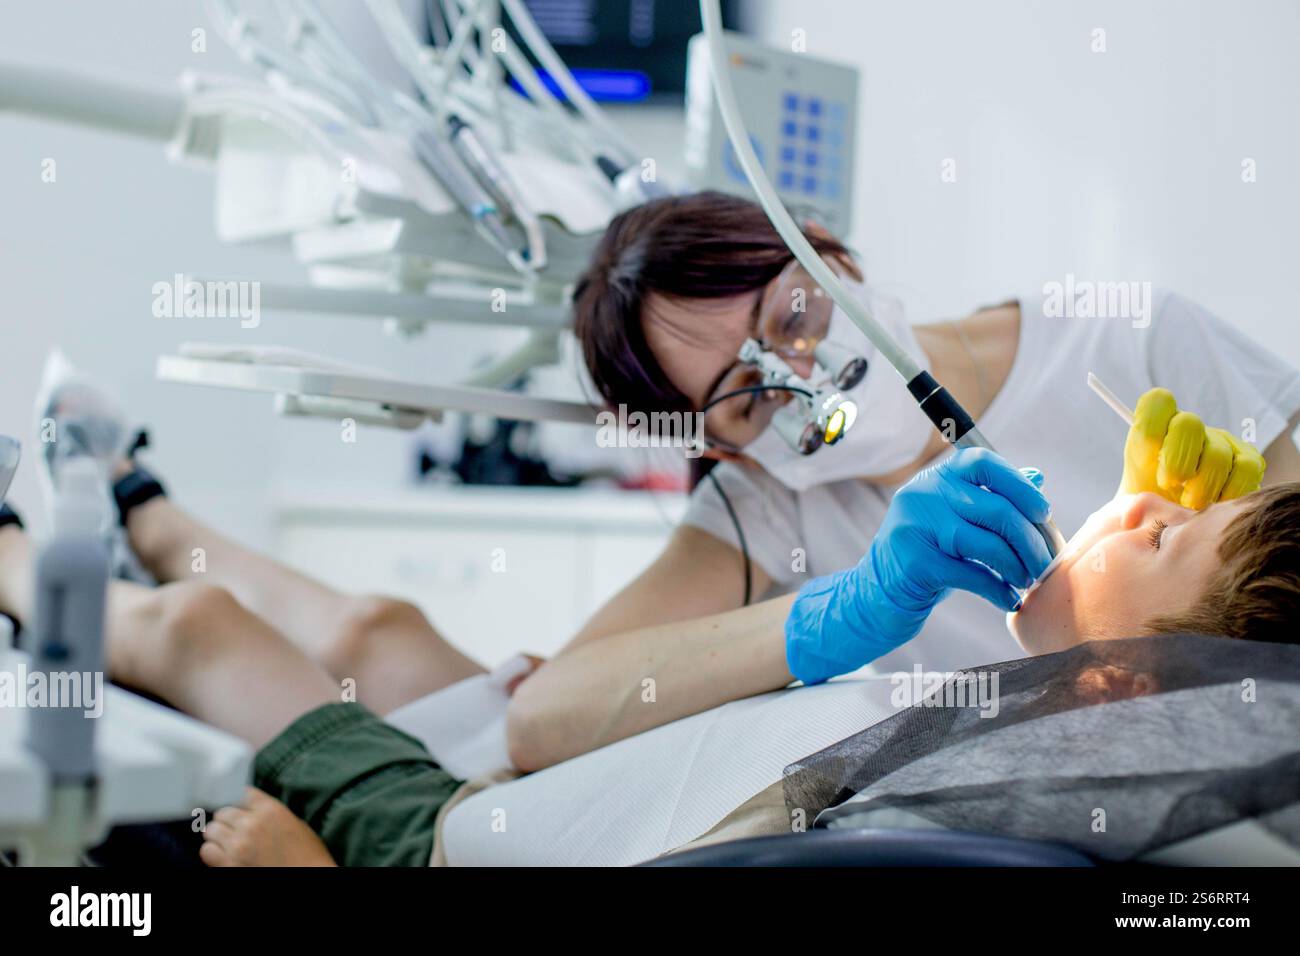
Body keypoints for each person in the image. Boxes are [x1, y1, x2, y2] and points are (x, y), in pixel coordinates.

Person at [505, 190, 1300, 770]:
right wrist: (840, 612)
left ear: (826, 250)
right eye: (746, 401)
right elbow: (542, 719)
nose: (800, 373)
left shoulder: (1130, 341)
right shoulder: (769, 507)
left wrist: (1226, 536)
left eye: (793, 316)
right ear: (731, 453)